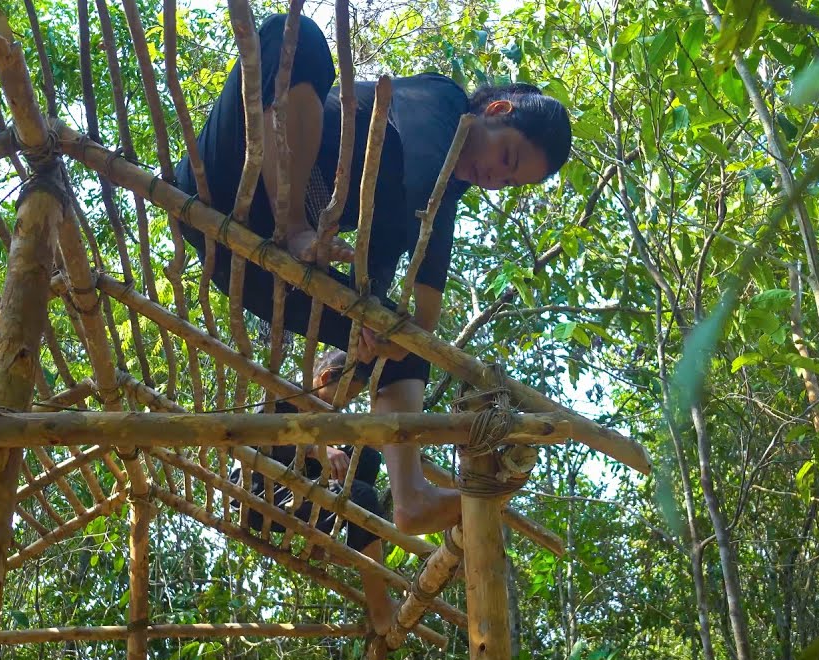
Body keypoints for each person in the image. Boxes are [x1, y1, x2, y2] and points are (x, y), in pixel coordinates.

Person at [176, 13, 571, 536]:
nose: (496, 178)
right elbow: (408, 173)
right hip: (228, 182)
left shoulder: (444, 198)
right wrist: (367, 304)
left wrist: (378, 339)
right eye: (507, 157)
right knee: (298, 38)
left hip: (259, 271)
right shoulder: (443, 103)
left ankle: (409, 494)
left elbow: (424, 313)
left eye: (509, 181)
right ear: (497, 111)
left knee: (406, 337)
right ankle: (296, 228)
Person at [230, 349, 395, 632]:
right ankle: (379, 604)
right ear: (325, 378)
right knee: (363, 496)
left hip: (298, 487)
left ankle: (323, 540)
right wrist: (316, 449)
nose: (345, 405)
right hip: (259, 492)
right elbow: (260, 435)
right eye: (345, 396)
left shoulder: (325, 416)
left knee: (367, 456)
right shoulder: (285, 396)